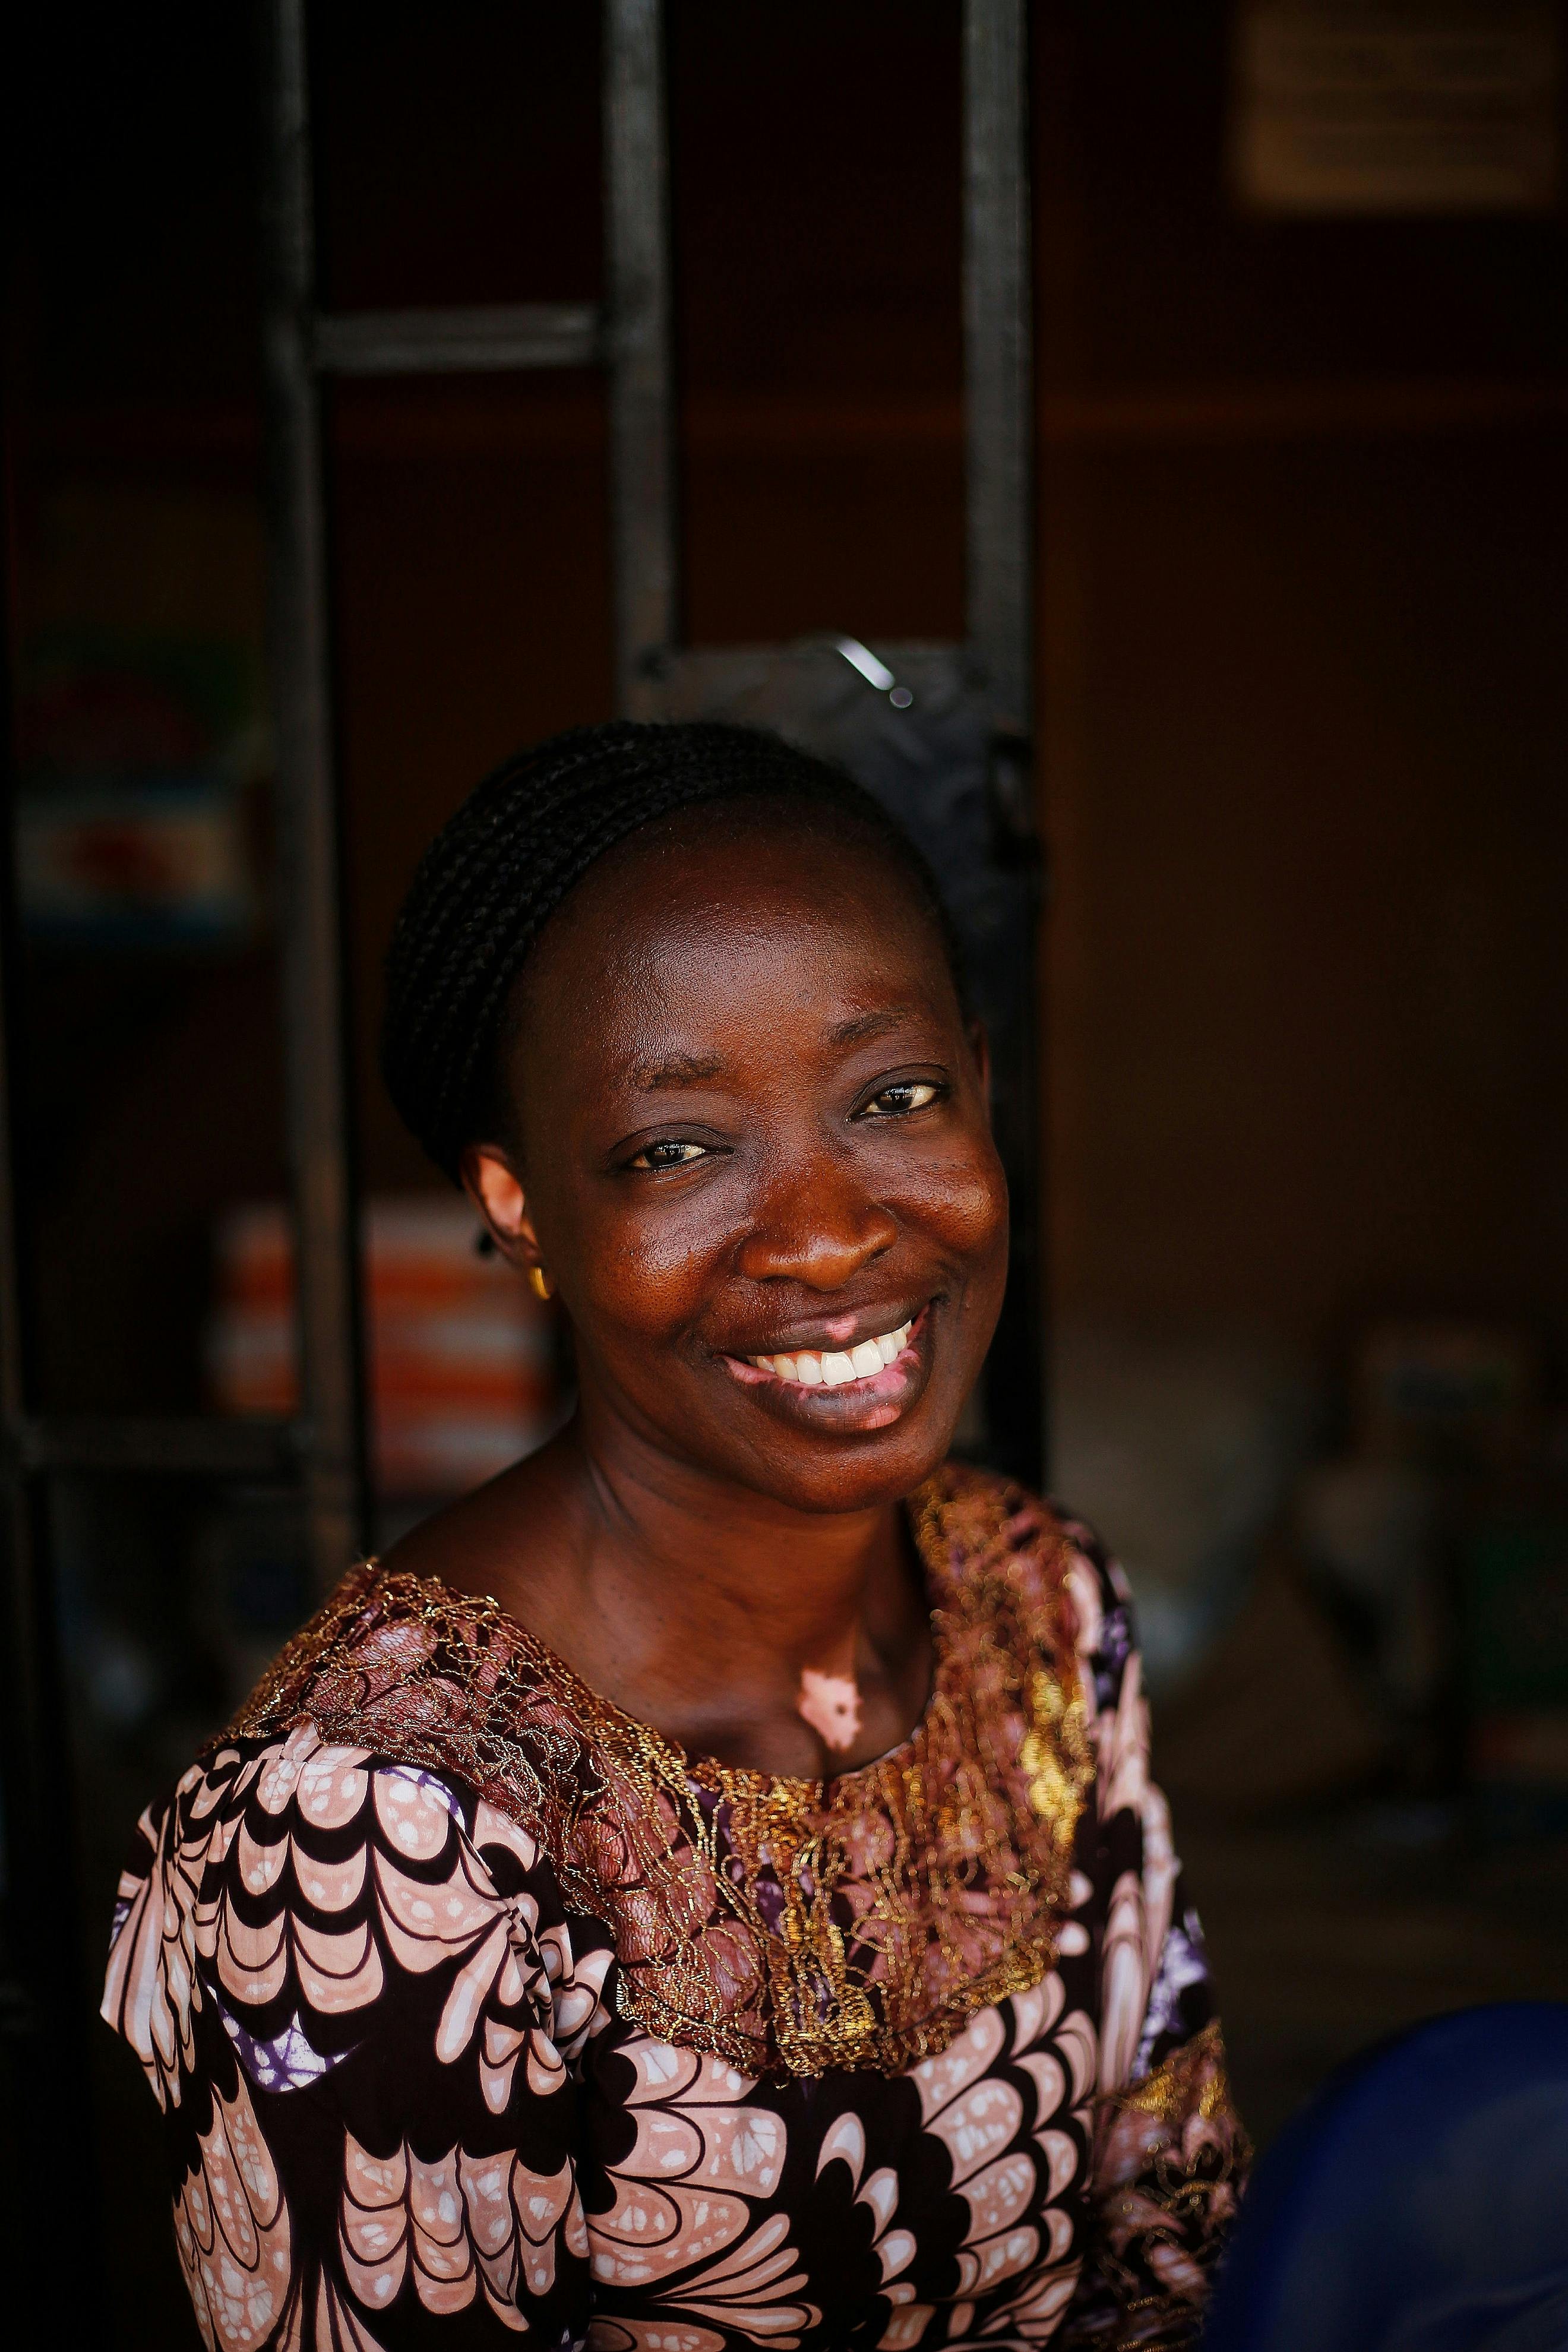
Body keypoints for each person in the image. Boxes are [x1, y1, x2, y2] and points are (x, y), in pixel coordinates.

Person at [103, 721, 1246, 2350]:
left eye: (894, 1096)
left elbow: (1174, 2228)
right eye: (678, 1148)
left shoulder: (1035, 1602)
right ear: (518, 1209)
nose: (832, 1232)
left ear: (982, 1089)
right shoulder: (372, 1835)